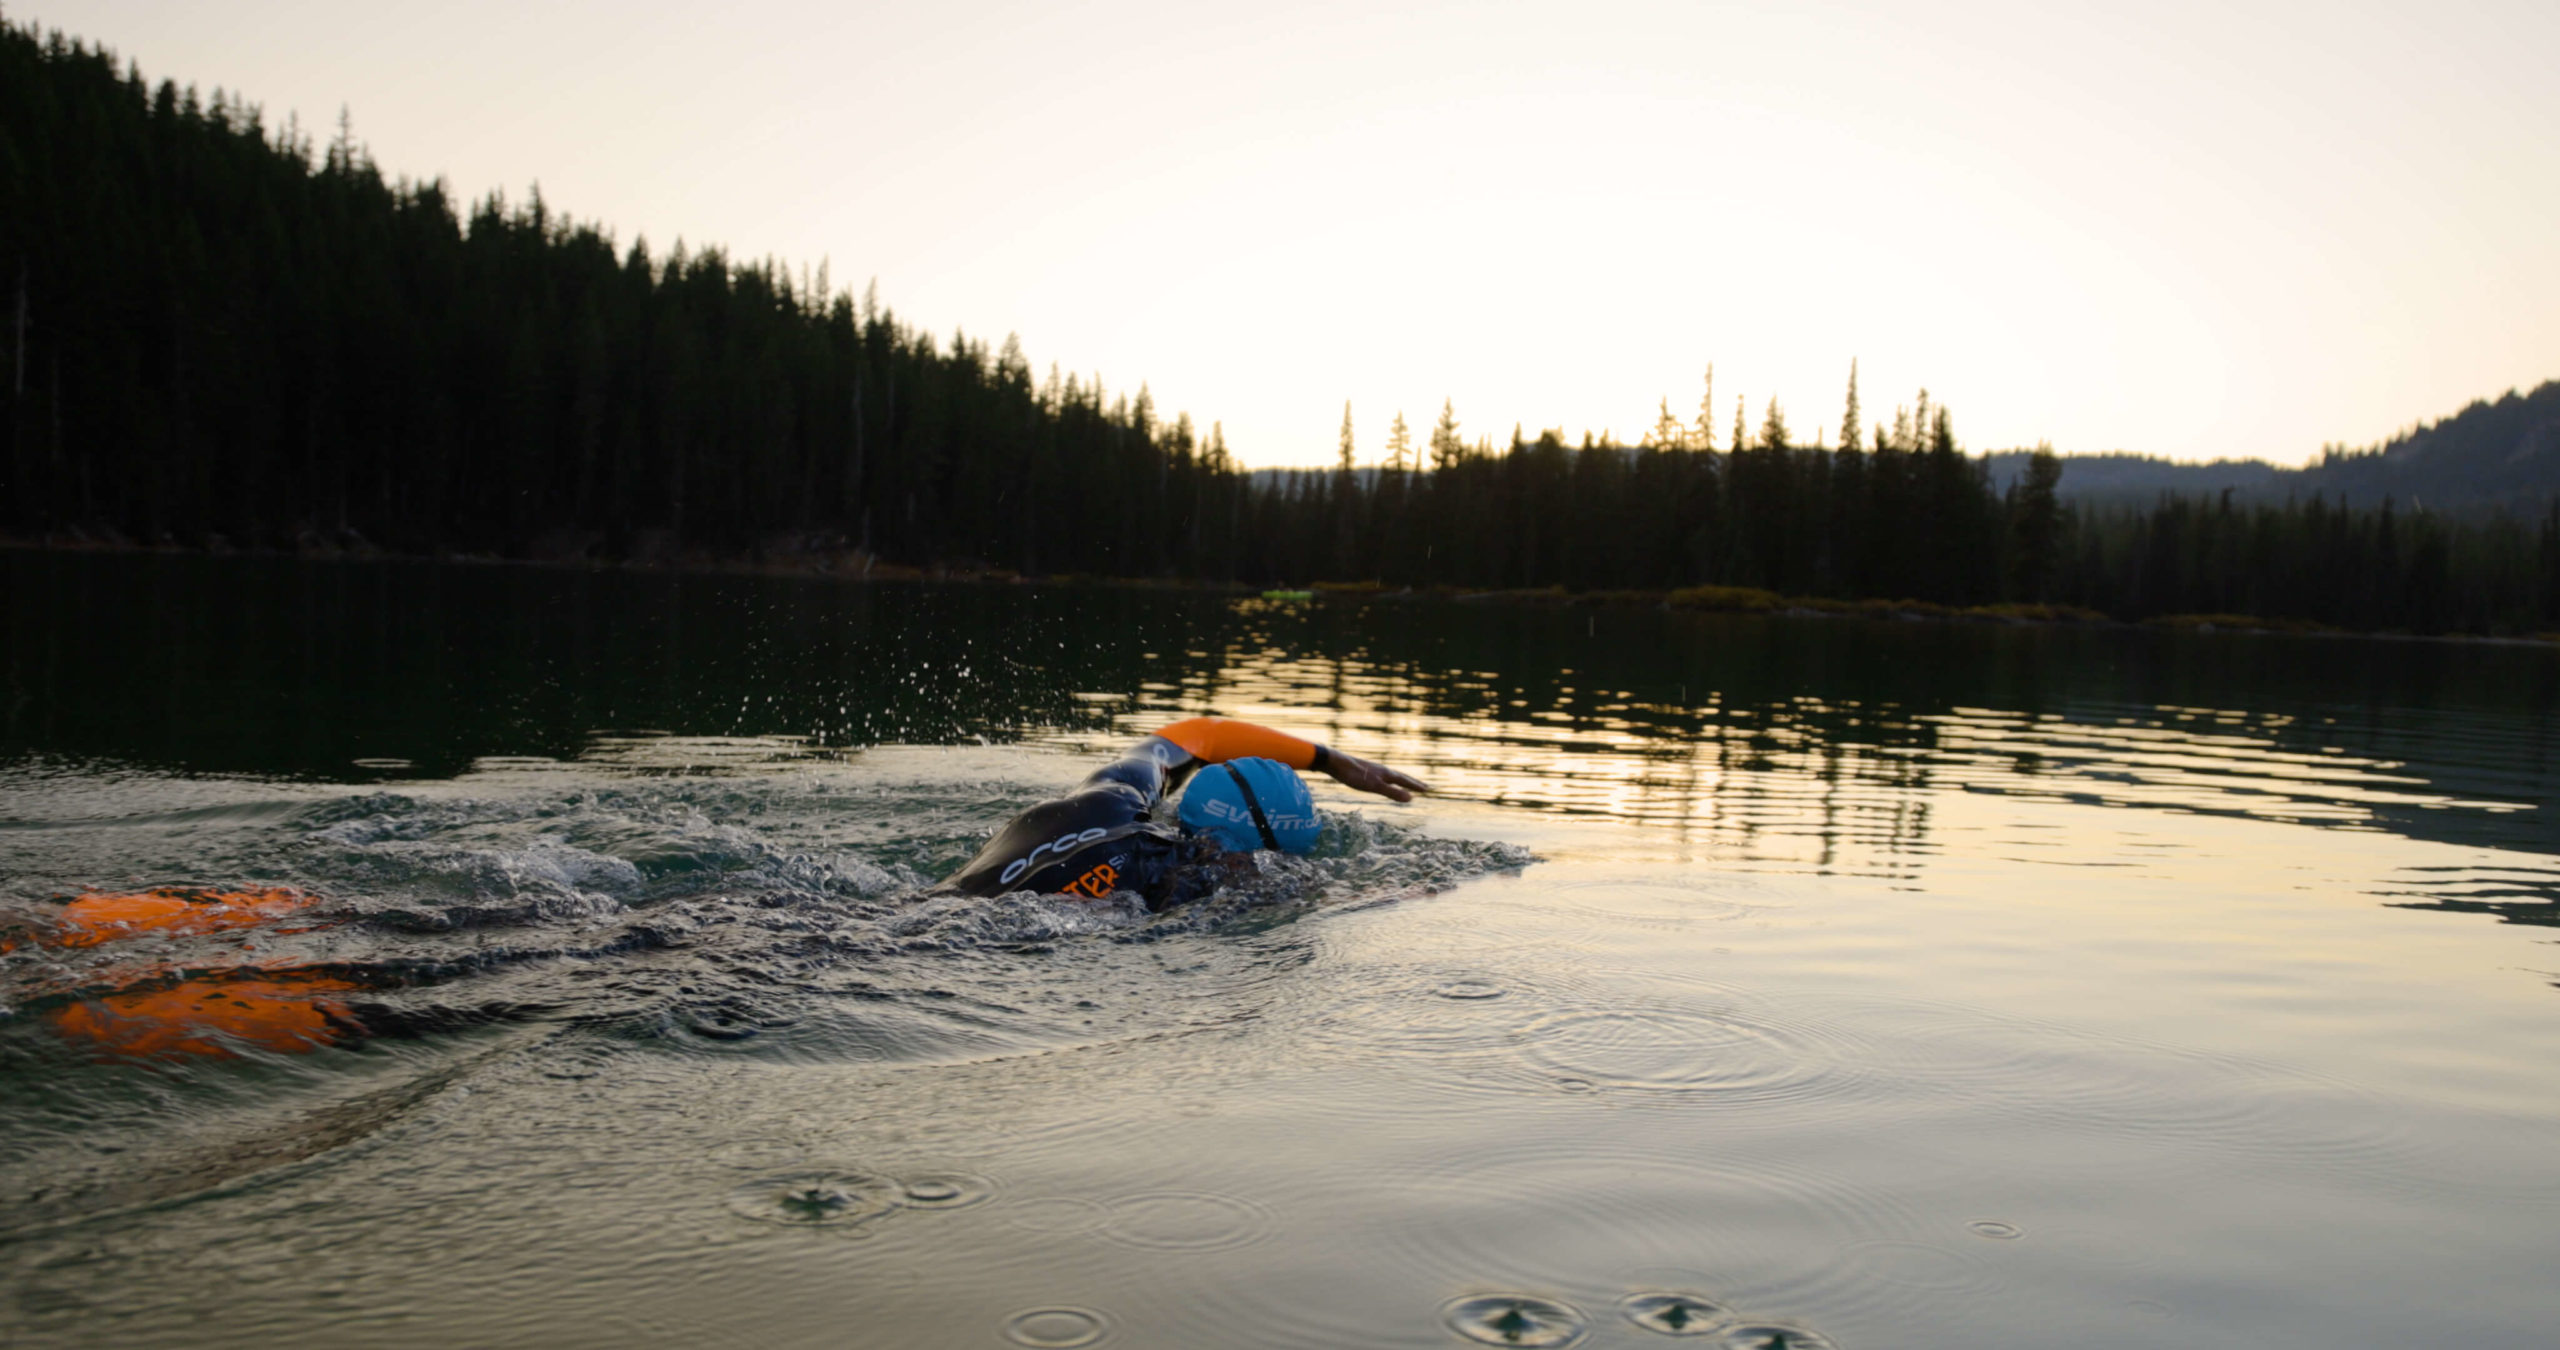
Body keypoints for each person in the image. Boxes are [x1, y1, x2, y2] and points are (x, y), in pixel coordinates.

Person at [937, 716, 1428, 907]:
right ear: (1247, 855)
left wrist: (1329, 759)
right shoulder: (1185, 878)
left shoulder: (1117, 794)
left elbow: (1201, 735)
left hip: (907, 911)